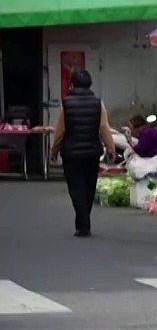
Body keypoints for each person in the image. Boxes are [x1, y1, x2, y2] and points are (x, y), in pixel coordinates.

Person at [50, 69, 115, 237]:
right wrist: (111, 148)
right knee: (89, 187)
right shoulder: (98, 103)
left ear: (72, 84)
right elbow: (103, 128)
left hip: (71, 153)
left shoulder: (66, 103)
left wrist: (54, 150)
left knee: (76, 188)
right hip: (92, 152)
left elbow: (60, 131)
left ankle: (83, 223)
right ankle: (84, 221)